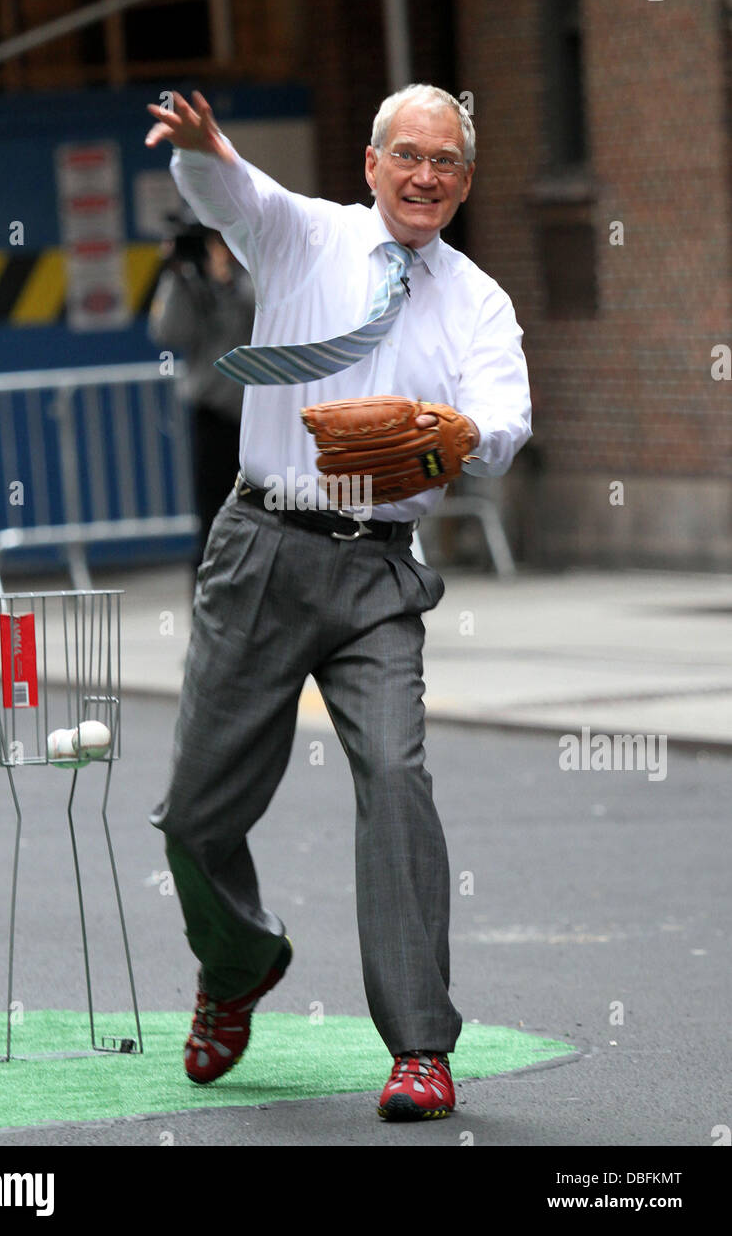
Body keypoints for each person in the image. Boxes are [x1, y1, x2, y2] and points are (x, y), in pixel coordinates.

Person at [144, 83, 532, 1121]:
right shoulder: (304, 239)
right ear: (370, 166)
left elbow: (503, 422)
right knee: (192, 814)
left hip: (377, 568)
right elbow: (236, 199)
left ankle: (418, 1047)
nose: (423, 176)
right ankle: (237, 963)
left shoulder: (477, 301)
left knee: (397, 776)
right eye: (405, 155)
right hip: (263, 547)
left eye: (444, 162)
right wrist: (204, 150)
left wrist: (440, 433)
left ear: (462, 181)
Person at [148, 216, 256, 557]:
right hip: (212, 418)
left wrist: (224, 282)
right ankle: (208, 598)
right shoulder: (187, 285)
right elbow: (167, 333)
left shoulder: (248, 277)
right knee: (212, 516)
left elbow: (257, 314)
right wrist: (176, 277)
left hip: (255, 416)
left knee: (260, 512)